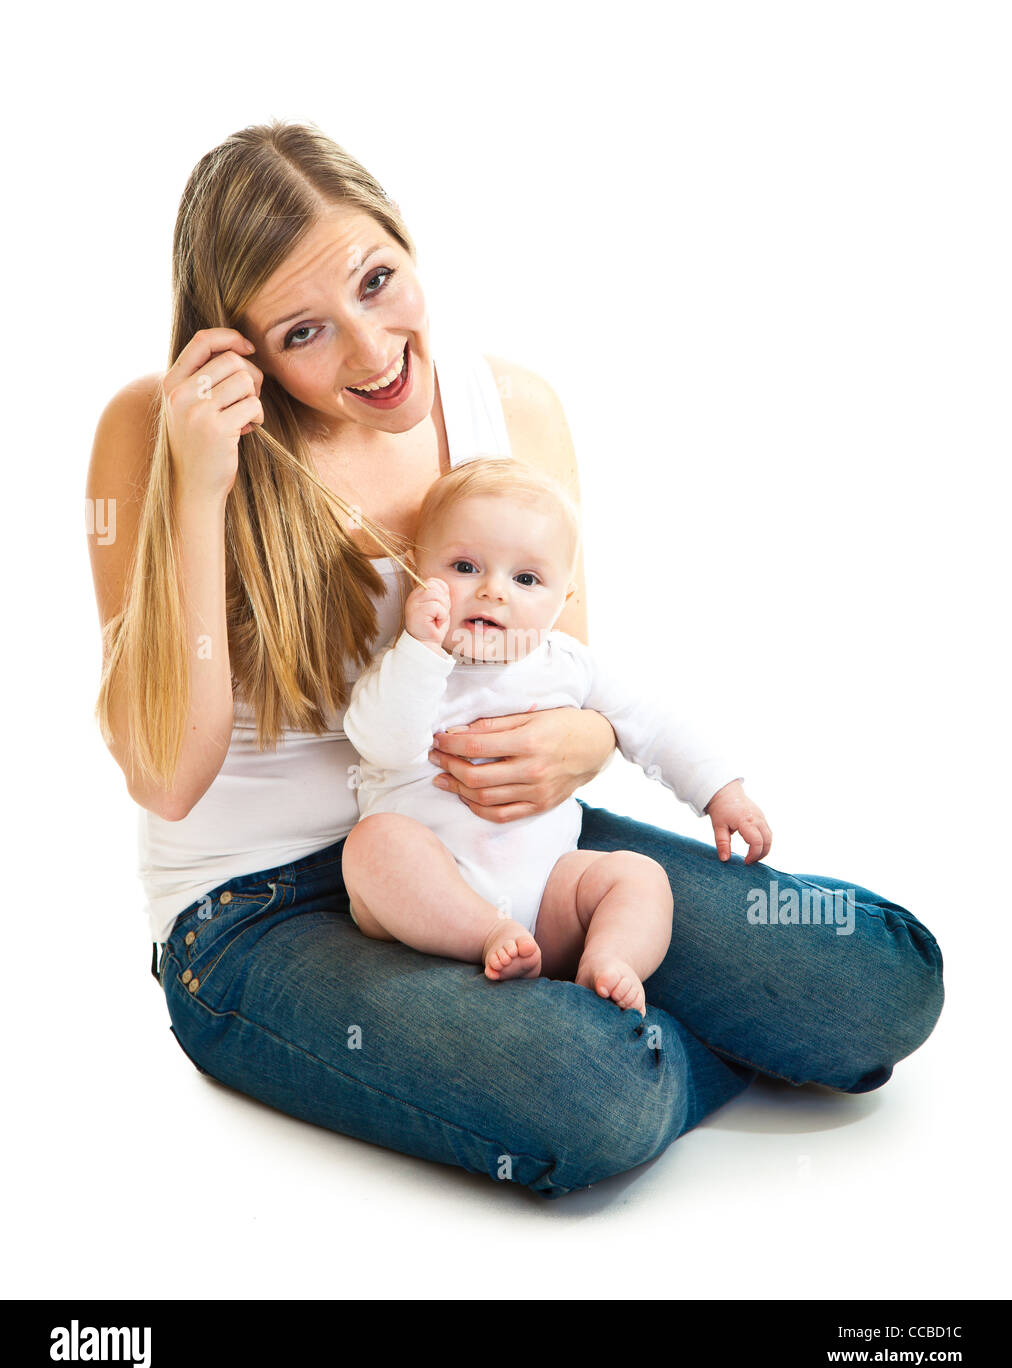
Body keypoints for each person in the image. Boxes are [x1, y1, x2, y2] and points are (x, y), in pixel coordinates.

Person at [86, 119, 944, 1199]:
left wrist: (587, 743)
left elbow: (565, 675)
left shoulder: (513, 406)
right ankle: (628, 1048)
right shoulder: (155, 432)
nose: (369, 349)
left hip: (501, 849)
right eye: (302, 332)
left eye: (377, 279)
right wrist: (203, 487)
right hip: (259, 914)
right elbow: (166, 776)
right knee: (599, 1094)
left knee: (881, 984)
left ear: (403, 238)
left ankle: (610, 1026)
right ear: (238, 350)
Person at [341, 456, 770, 1017]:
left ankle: (608, 960)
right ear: (419, 572)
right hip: (428, 896)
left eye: (526, 579)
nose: (494, 592)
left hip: (548, 897)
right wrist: (422, 651)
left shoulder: (568, 665)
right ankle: (484, 934)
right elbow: (385, 744)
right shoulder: (408, 667)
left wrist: (720, 790)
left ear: (563, 600)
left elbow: (654, 721)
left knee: (638, 878)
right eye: (465, 566)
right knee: (374, 845)